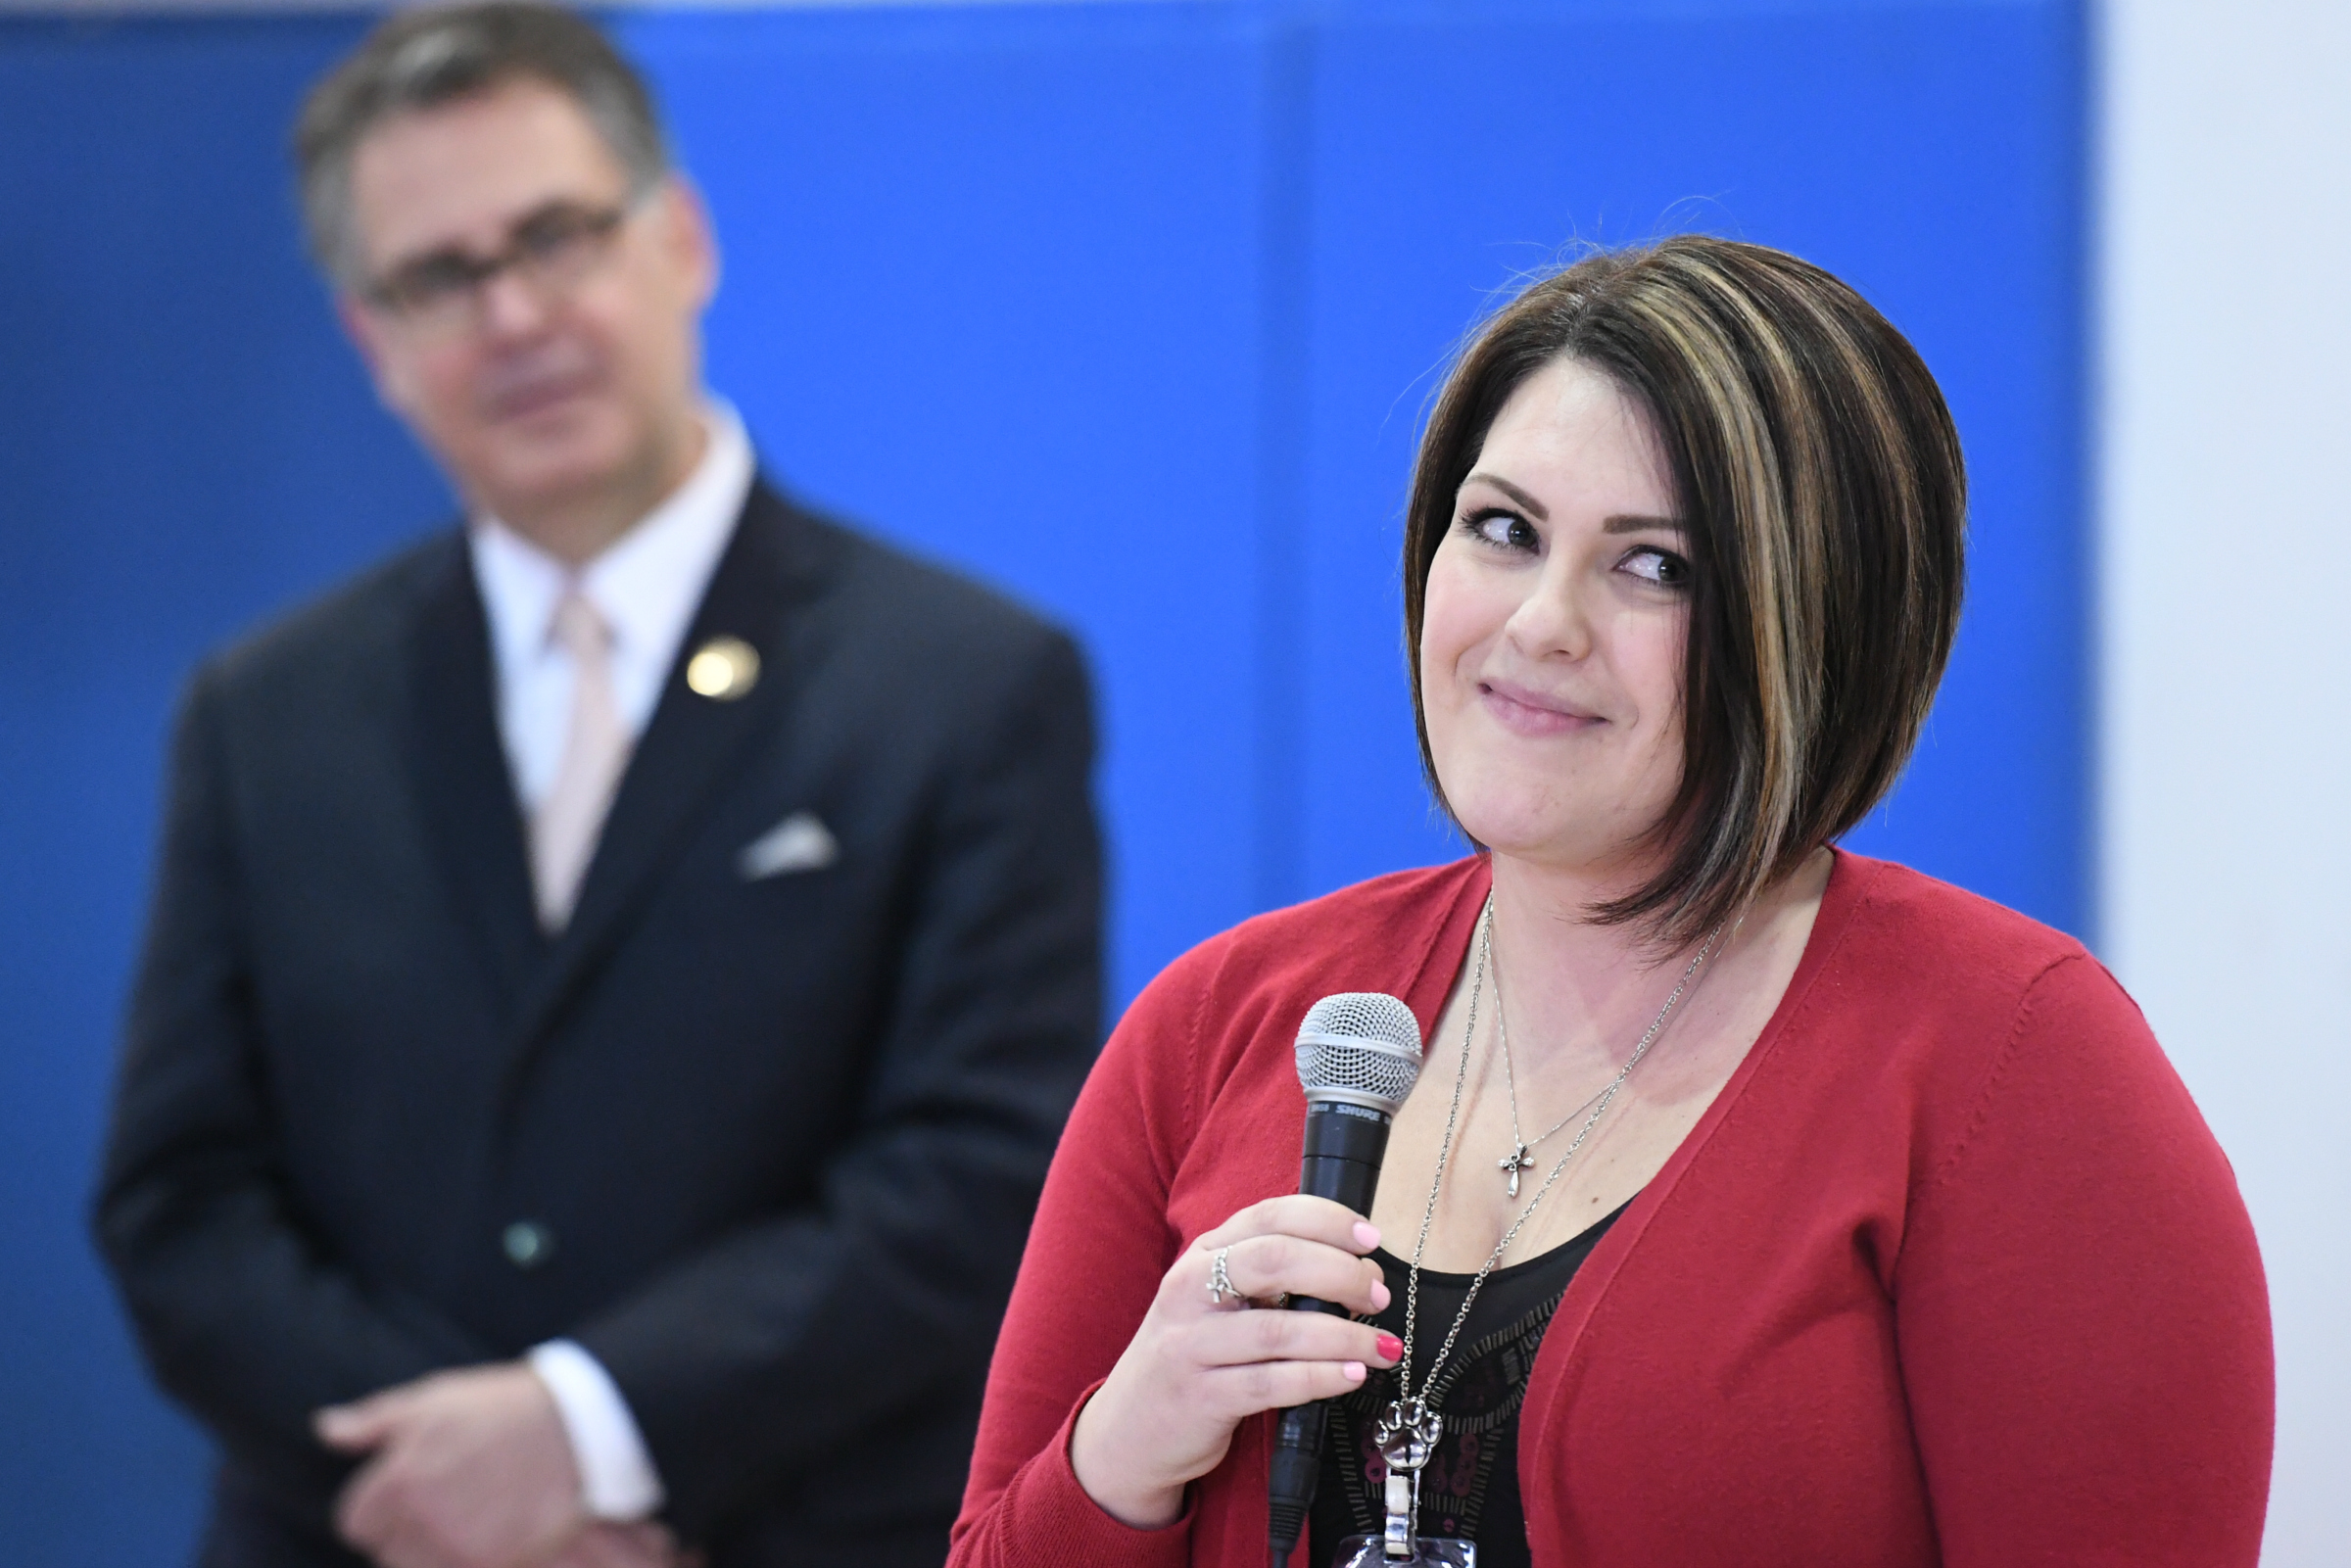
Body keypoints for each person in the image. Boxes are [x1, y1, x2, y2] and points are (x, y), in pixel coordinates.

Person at [946, 236, 2273, 1568]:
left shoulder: (2013, 1062)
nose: (1539, 622)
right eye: (1505, 530)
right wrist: (1123, 1450)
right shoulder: (1220, 1023)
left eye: (1655, 567)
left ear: (1818, 622)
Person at [92, 6, 1102, 1567]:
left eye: (556, 236)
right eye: (440, 276)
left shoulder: (966, 682)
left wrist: (585, 1428)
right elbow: (184, 1203)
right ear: (373, 343)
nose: (512, 315)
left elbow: (973, 1177)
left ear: (679, 239)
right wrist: (466, 1485)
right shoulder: (263, 710)